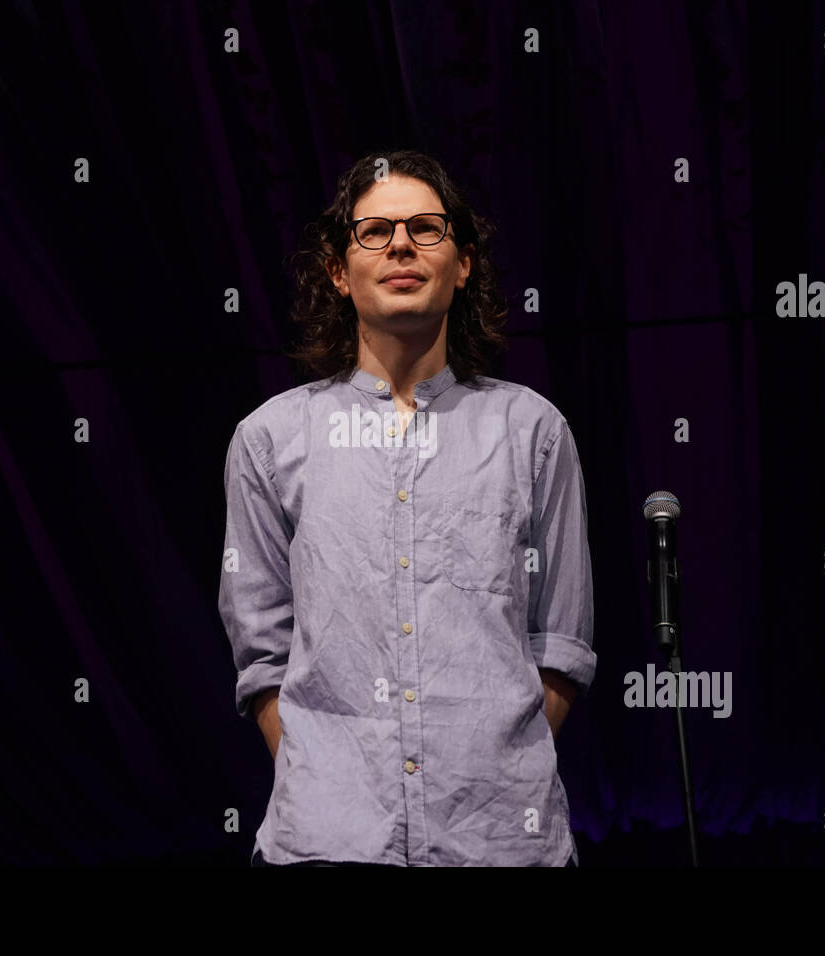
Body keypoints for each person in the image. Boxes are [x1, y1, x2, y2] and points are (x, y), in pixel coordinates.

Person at [218, 149, 594, 867]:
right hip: (326, 842)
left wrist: (488, 770)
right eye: (375, 231)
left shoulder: (532, 432)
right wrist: (327, 779)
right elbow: (260, 648)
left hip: (499, 845)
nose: (400, 245)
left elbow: (563, 642)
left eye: (426, 228)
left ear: (463, 264)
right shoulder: (270, 440)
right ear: (338, 269)